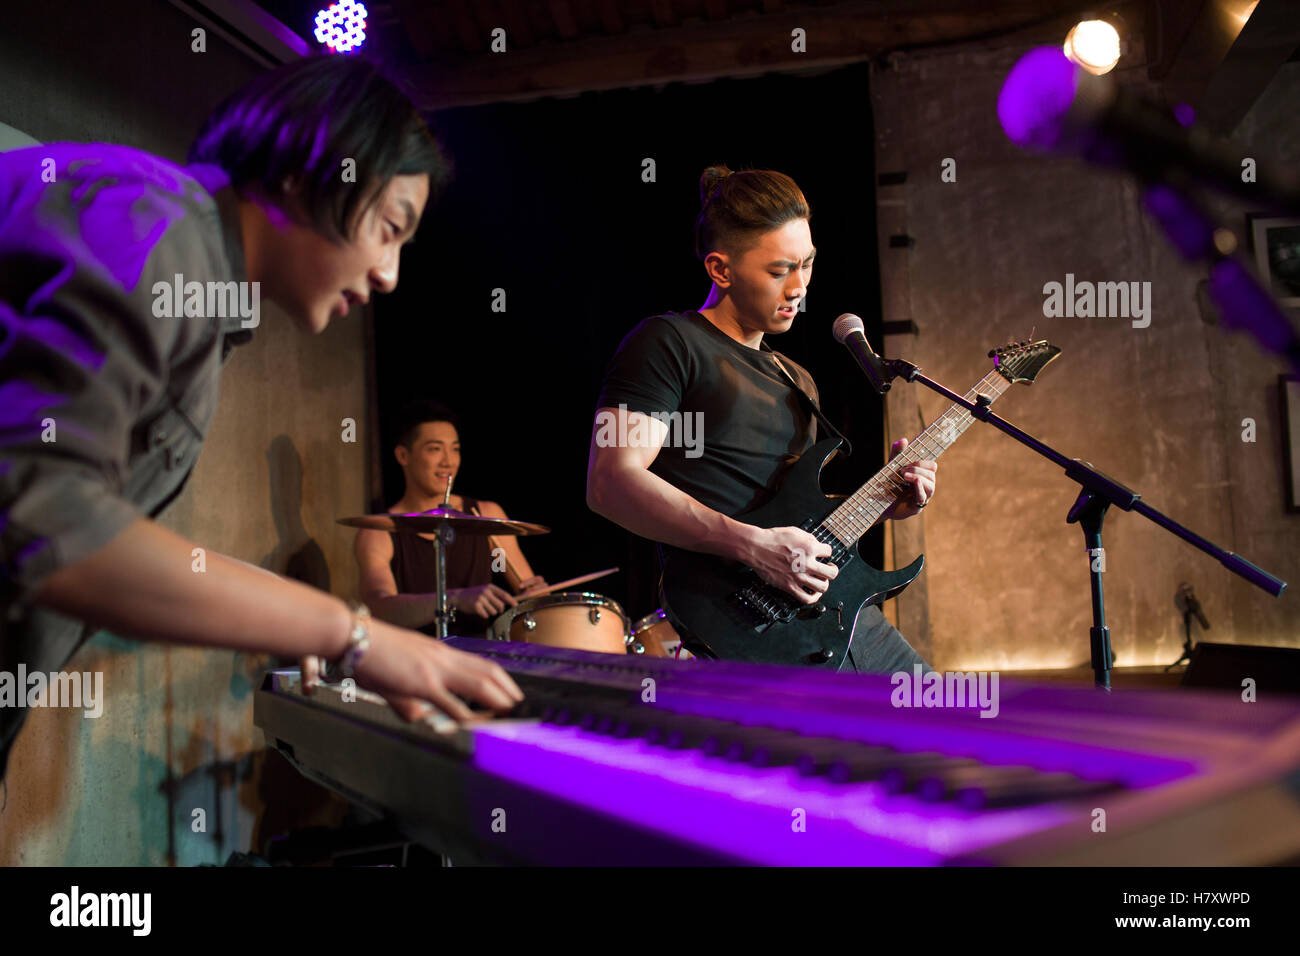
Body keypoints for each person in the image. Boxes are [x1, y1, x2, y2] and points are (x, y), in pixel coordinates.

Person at [0, 55, 523, 783]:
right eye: (390, 227)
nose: (389, 274)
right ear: (304, 169)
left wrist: (287, 612)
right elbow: (44, 521)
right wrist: (351, 634)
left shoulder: (197, 278)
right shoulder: (159, 232)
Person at [586, 165, 937, 673]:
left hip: (834, 612)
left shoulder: (798, 378)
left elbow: (792, 520)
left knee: (953, 731)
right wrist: (754, 547)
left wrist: (886, 504)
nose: (799, 287)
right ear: (720, 270)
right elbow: (609, 482)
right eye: (779, 271)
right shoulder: (665, 343)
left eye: (807, 265)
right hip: (741, 624)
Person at [354, 400, 548, 636]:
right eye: (435, 449)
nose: (448, 461)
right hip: (413, 664)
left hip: (479, 661)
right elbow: (378, 609)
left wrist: (536, 595)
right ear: (403, 455)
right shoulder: (379, 531)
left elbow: (531, 596)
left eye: (455, 449)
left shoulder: (485, 514)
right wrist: (453, 599)